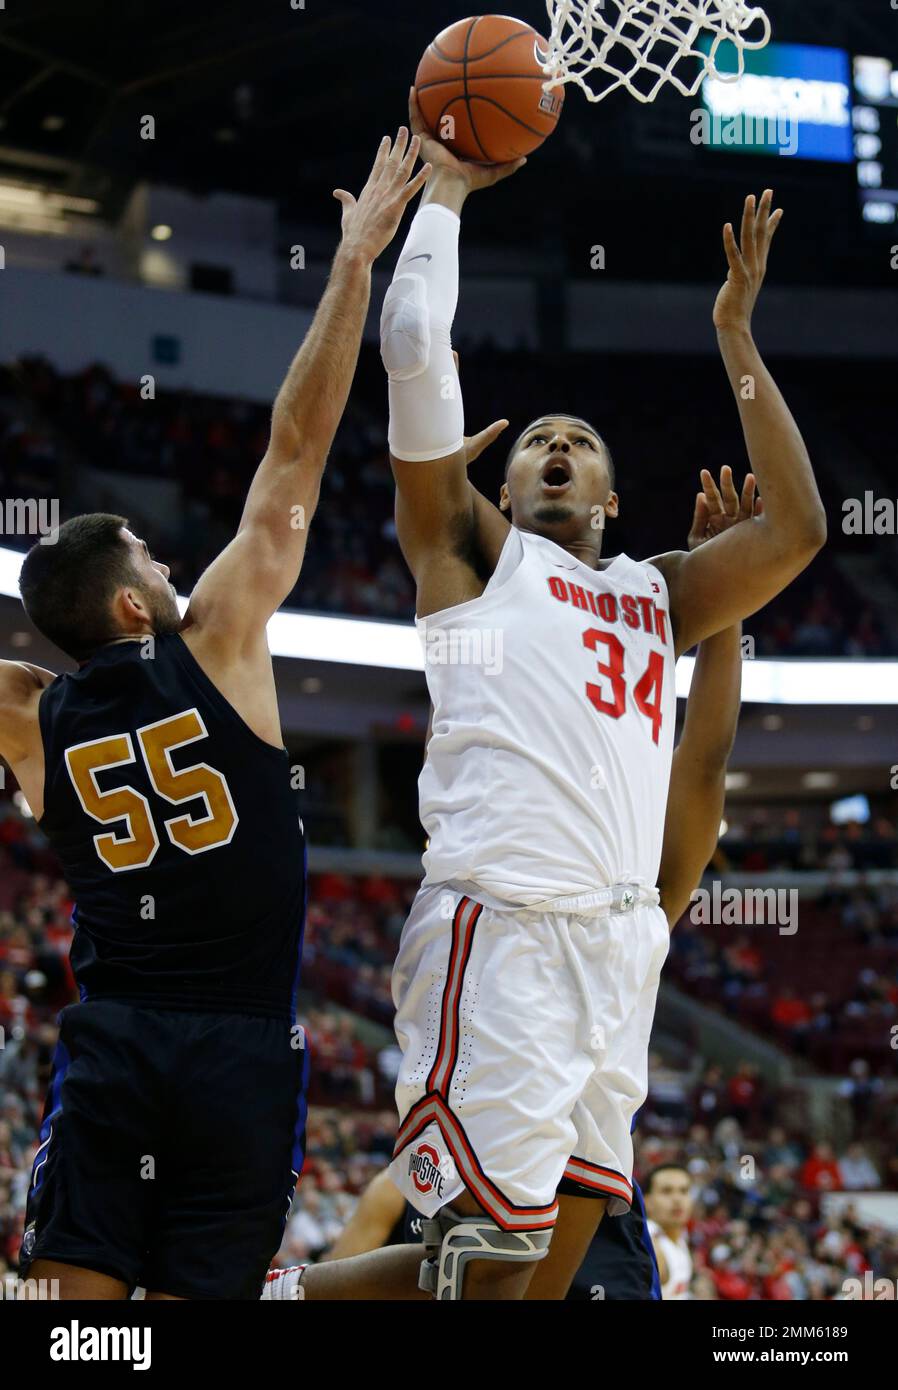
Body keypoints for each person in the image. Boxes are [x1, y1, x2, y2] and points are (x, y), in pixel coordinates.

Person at [379, 86, 825, 1300]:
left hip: (621, 948)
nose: (557, 446)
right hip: (506, 926)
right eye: (537, 441)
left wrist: (736, 340)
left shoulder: (655, 591)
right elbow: (416, 349)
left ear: (612, 499)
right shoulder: (472, 556)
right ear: (508, 481)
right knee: (471, 1266)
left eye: (579, 441)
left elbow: (797, 528)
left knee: (540, 1278)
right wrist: (453, 195)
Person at [0, 128, 432, 1300]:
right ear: (137, 598)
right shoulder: (221, 642)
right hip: (241, 1048)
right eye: (152, 549)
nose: (172, 555)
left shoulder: (25, 713)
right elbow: (296, 451)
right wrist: (352, 264)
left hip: (117, 1041)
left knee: (75, 1322)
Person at [644, 1165, 695, 1300]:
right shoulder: (650, 1244)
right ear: (646, 1201)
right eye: (667, 1191)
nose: (677, 1199)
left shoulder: (679, 1237)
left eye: (684, 1191)